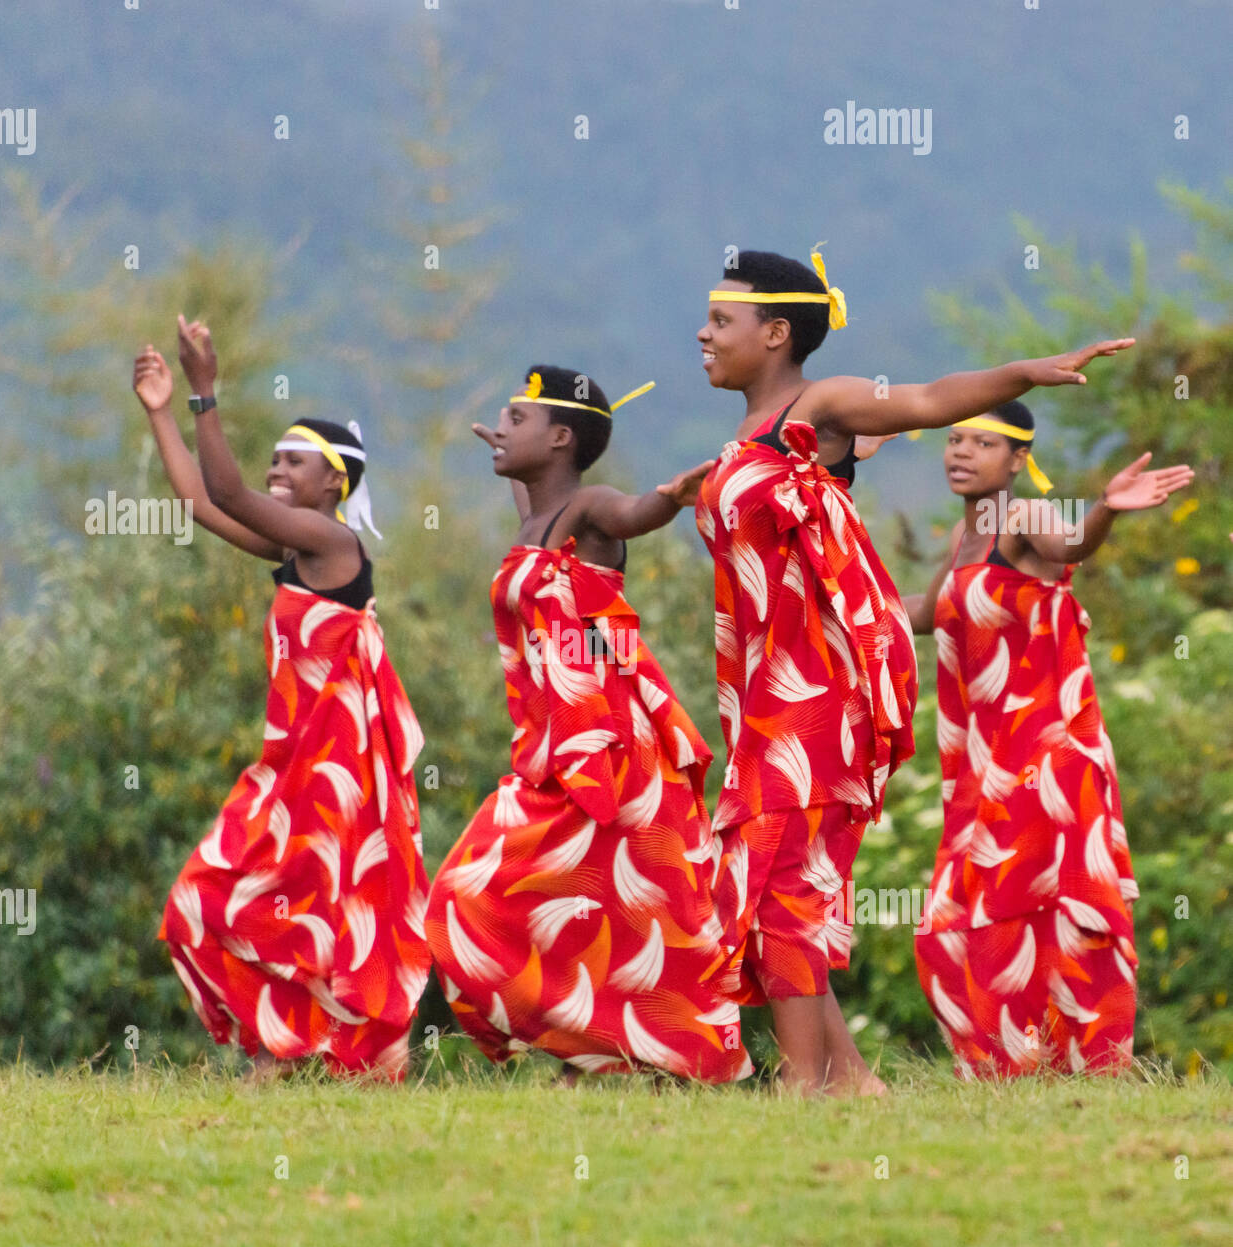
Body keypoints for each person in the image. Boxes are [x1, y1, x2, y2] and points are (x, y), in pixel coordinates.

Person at [693, 245, 1137, 1094]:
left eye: (721, 320)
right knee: (777, 873)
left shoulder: (817, 408)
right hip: (762, 693)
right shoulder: (744, 442)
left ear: (777, 333)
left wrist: (1025, 374)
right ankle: (851, 1078)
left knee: (781, 873)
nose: (704, 335)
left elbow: (929, 400)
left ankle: (801, 1079)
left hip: (817, 690)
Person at [423, 365, 751, 1083]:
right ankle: (594, 1054)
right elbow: (536, 512)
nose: (501, 428)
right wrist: (513, 458)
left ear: (562, 436)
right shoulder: (538, 520)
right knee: (559, 901)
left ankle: (651, 1051)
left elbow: (633, 513)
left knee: (618, 906)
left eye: (517, 418)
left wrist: (669, 499)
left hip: (610, 747)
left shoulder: (594, 509)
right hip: (555, 747)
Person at [133, 318, 430, 1079]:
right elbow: (203, 502)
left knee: (313, 905)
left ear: (335, 483)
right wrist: (162, 411)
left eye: (293, 461)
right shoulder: (296, 547)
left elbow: (227, 487)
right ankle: (285, 1051)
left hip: (331, 780)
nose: (276, 468)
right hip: (294, 767)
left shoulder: (334, 547)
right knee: (219, 897)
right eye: (274, 458)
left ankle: (297, 1058)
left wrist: (207, 392)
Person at [901, 403, 1193, 1076]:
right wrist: (840, 601)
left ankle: (1091, 1062)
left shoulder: (1028, 518)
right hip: (986, 766)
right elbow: (925, 610)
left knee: (1047, 909)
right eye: (954, 439)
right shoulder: (963, 539)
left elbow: (1072, 547)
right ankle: (1018, 1065)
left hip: (1048, 758)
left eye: (982, 442)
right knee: (965, 914)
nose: (961, 452)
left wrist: (1106, 512)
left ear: (1015, 460)